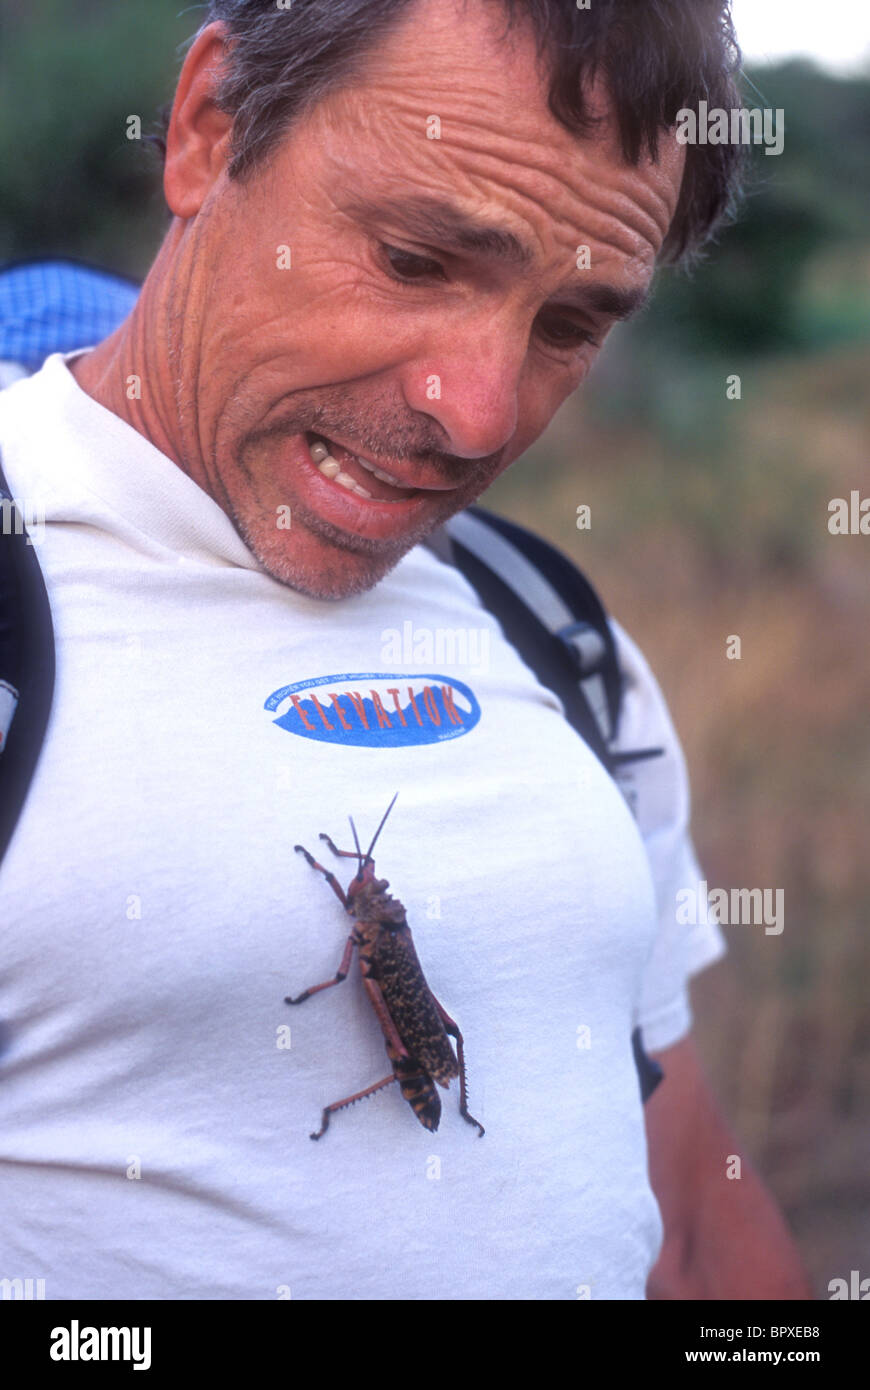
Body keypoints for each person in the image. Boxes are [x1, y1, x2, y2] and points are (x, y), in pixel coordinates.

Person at [0, 0, 812, 1300]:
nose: (478, 414)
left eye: (569, 327)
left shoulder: (556, 631)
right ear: (208, 129)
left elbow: (693, 1218)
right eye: (414, 259)